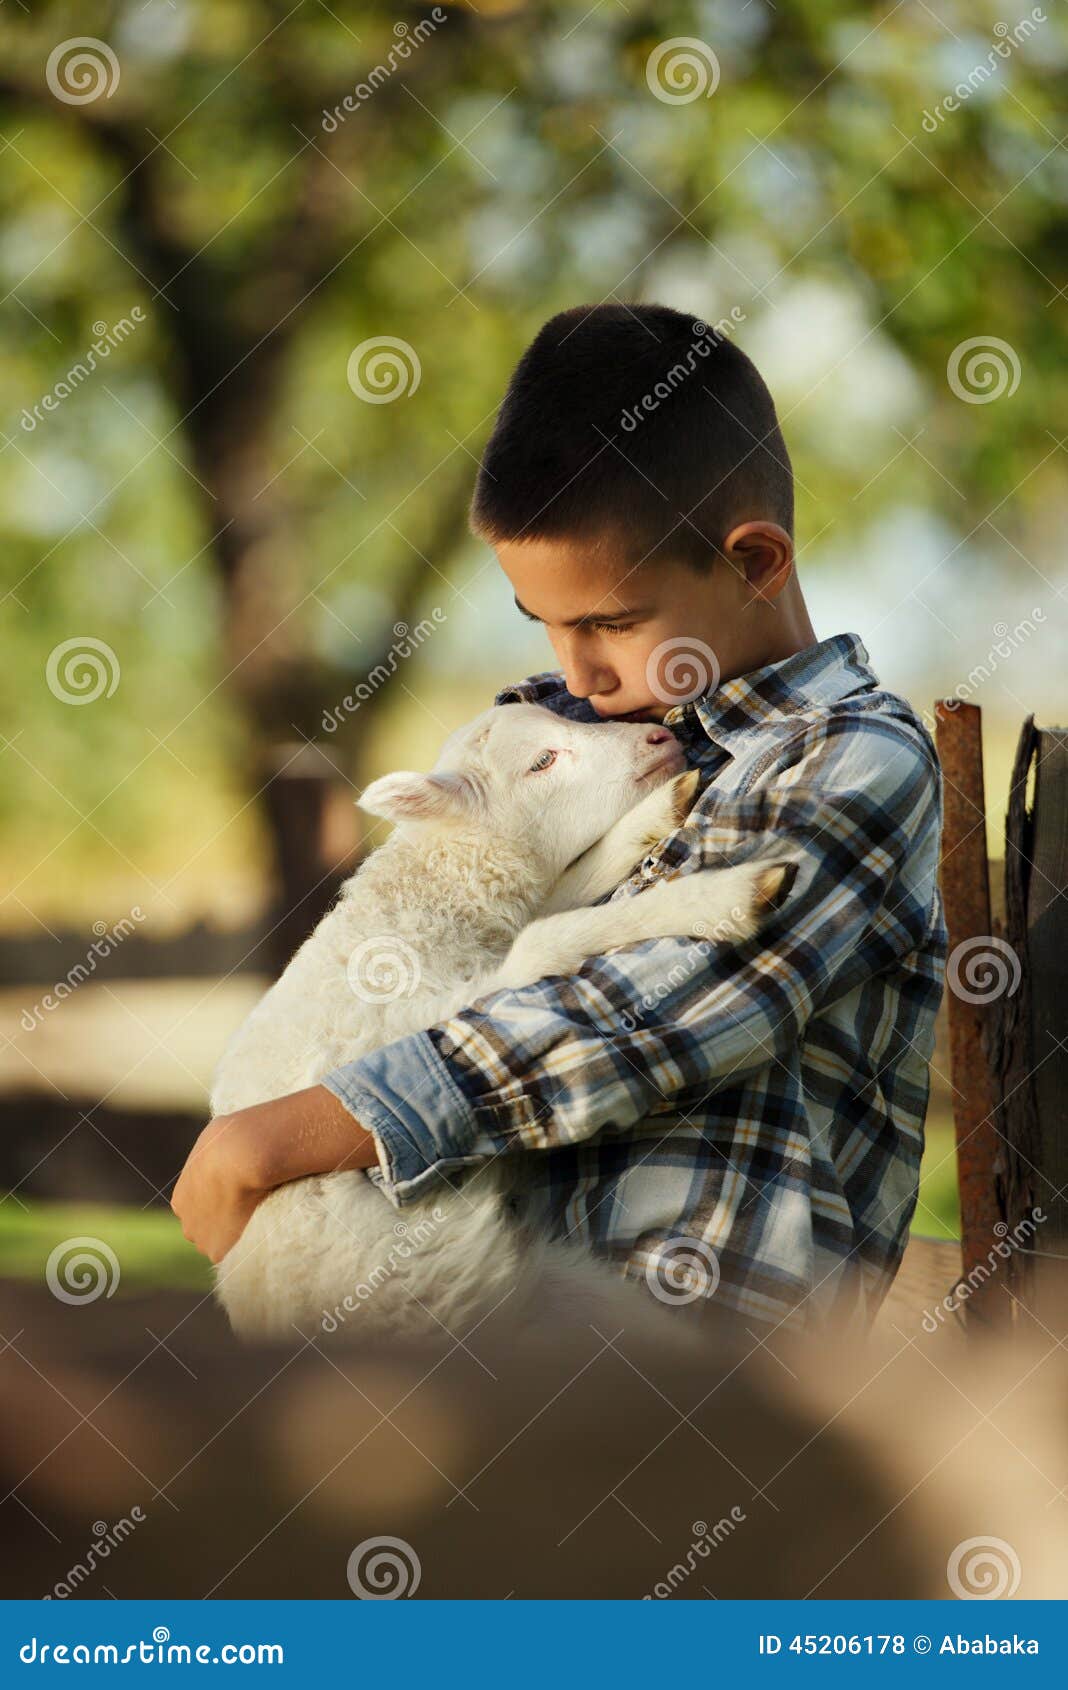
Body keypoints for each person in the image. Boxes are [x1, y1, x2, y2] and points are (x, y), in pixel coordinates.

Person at [172, 302, 947, 1332]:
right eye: (542, 622)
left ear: (757, 562)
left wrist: (307, 1127)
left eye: (610, 623)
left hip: (716, 1380)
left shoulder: (851, 757)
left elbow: (657, 1008)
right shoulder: (593, 735)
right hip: (515, 1344)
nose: (574, 670)